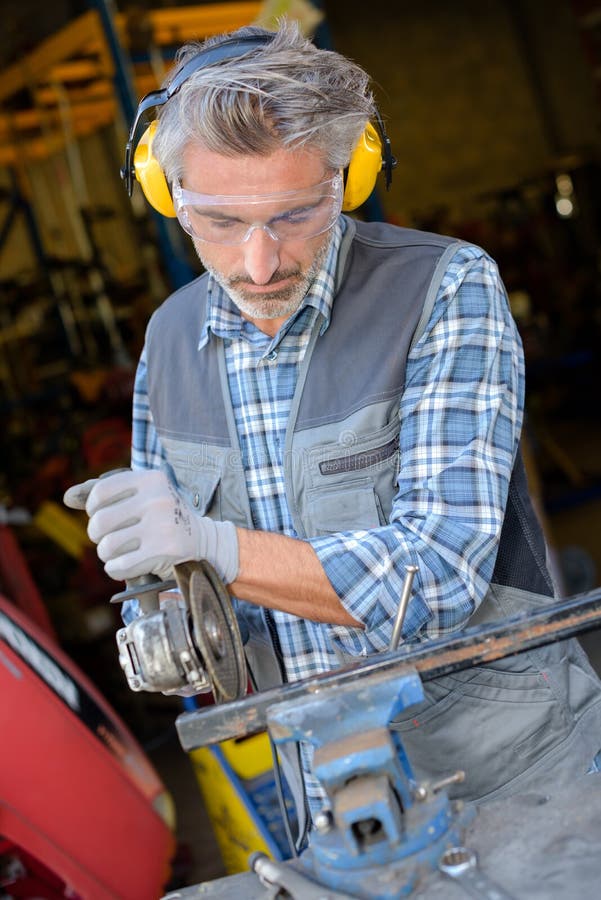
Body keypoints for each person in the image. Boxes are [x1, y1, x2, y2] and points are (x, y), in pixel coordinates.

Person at [65, 20, 601, 839]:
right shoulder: (167, 344)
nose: (258, 263)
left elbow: (442, 570)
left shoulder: (444, 289)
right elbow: (176, 610)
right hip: (324, 797)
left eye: (294, 215)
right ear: (165, 191)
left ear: (347, 180)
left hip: (508, 782)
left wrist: (215, 547)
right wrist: (159, 609)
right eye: (216, 222)